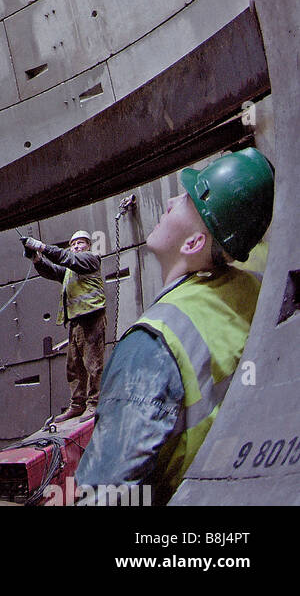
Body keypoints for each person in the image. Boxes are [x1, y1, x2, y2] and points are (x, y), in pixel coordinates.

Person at [74, 148, 274, 506]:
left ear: (194, 243)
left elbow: (104, 494)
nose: (169, 201)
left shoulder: (152, 344)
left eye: (185, 199)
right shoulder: (263, 286)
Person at [24, 228, 107, 420]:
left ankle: (94, 403)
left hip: (92, 317)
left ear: (88, 246)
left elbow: (65, 258)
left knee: (93, 363)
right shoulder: (71, 270)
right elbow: (53, 271)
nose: (76, 246)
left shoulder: (90, 259)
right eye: (73, 243)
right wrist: (36, 259)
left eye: (81, 243)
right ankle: (78, 404)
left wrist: (40, 247)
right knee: (74, 365)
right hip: (76, 320)